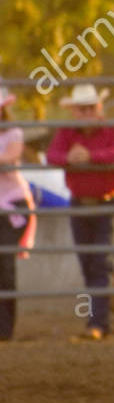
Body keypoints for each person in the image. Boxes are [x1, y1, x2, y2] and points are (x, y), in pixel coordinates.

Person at [46, 83, 114, 340]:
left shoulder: (112, 129)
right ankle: (99, 314)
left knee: (100, 263)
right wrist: (71, 158)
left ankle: (98, 322)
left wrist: (89, 155)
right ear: (75, 111)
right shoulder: (67, 132)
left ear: (99, 108)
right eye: (82, 109)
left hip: (106, 203)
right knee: (89, 263)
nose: (86, 113)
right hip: (80, 203)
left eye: (90, 108)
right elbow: (52, 156)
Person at [0, 83, 36, 342]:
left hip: (12, 205)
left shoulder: (13, 133)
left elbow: (9, 159)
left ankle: (5, 328)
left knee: (5, 265)